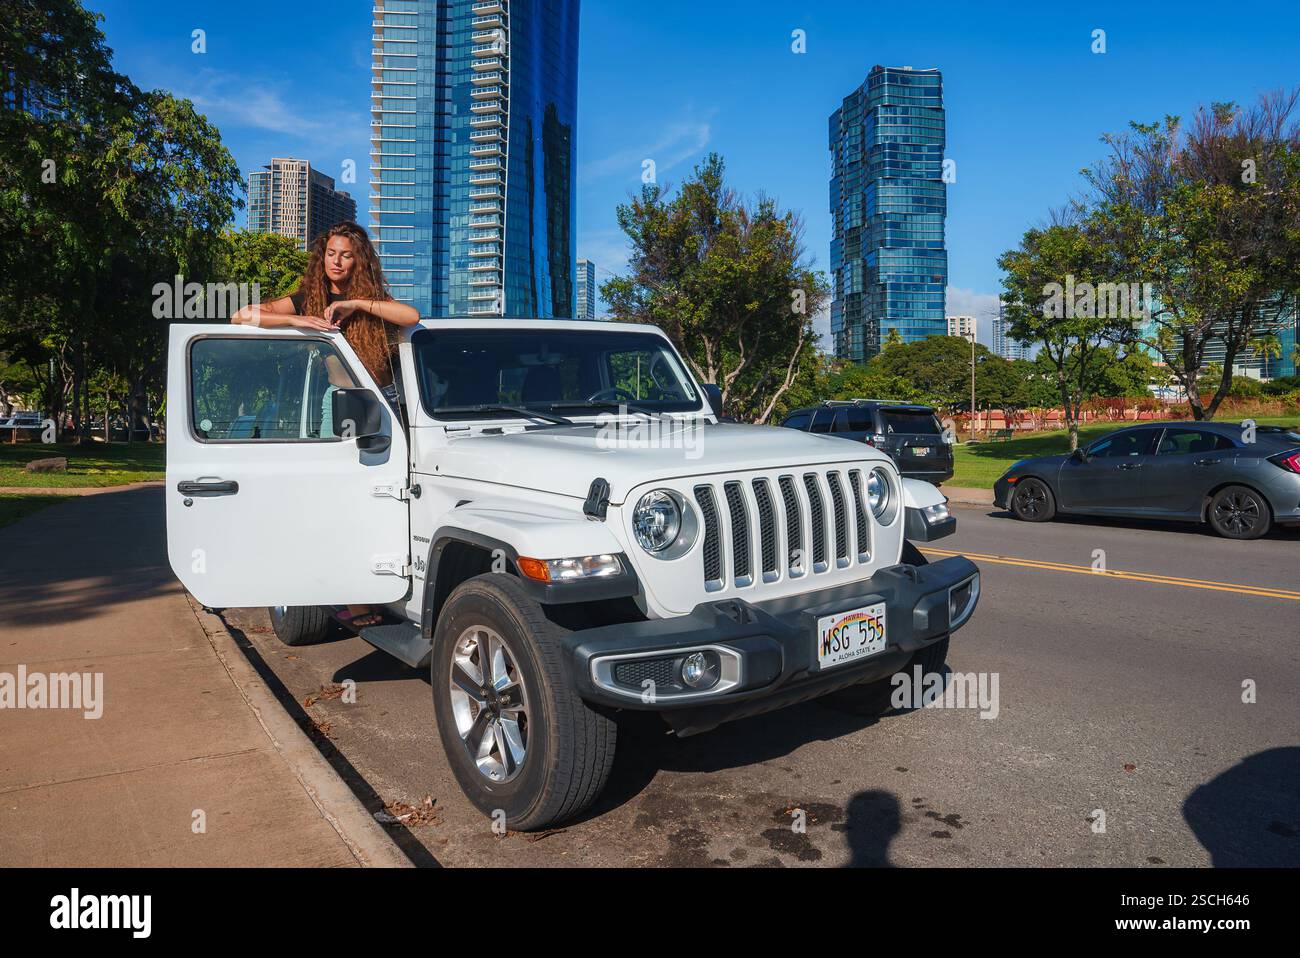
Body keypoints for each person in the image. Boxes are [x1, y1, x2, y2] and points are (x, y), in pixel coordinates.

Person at [232, 222, 419, 627]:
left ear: (359, 260)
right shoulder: (307, 298)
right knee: (342, 495)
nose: (337, 261)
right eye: (331, 253)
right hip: (335, 403)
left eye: (346, 254)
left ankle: (385, 578)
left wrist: (357, 305)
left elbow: (411, 316)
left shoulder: (372, 299)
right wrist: (302, 323)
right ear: (323, 257)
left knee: (388, 493)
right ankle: (345, 594)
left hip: (384, 402)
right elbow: (241, 315)